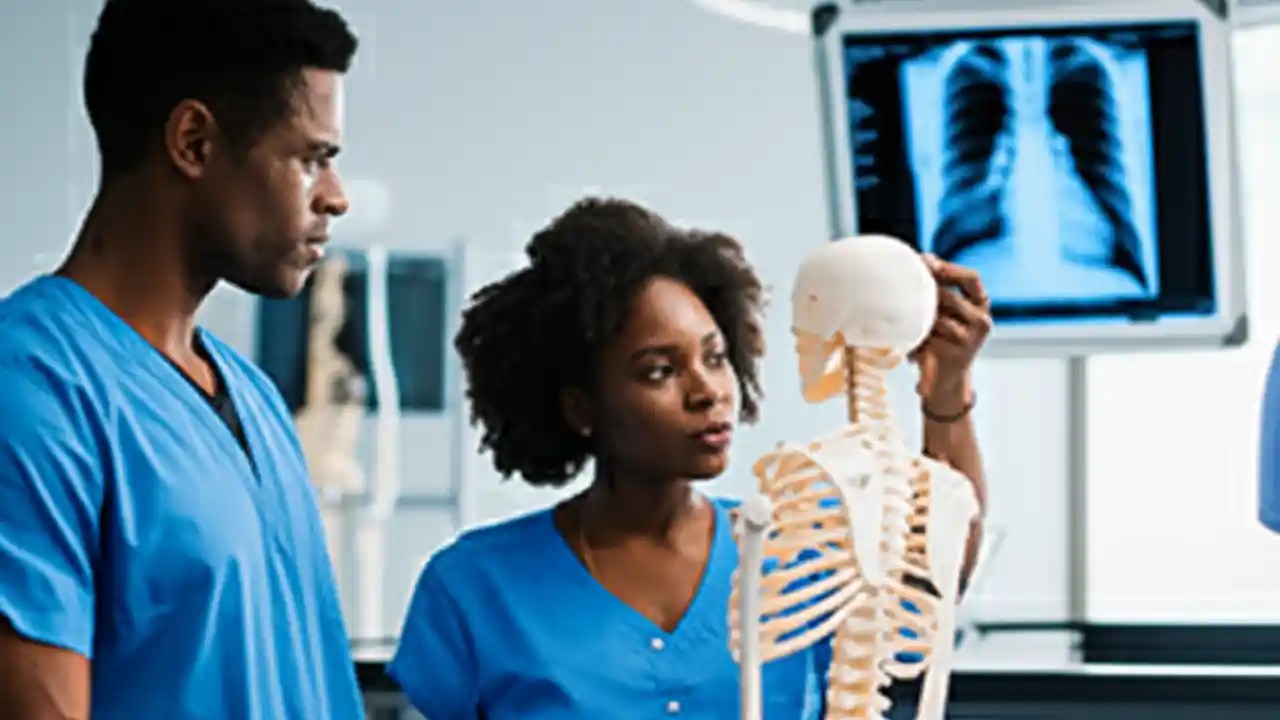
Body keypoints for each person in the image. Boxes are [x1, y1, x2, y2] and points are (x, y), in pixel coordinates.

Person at [387, 197, 991, 718]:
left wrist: (946, 391)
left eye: (715, 357)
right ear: (580, 407)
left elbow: (937, 570)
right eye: (659, 371)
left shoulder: (797, 554)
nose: (707, 391)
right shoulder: (474, 587)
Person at [0, 1, 365, 718]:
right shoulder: (30, 391)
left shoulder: (254, 399)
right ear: (194, 141)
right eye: (311, 159)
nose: (336, 197)